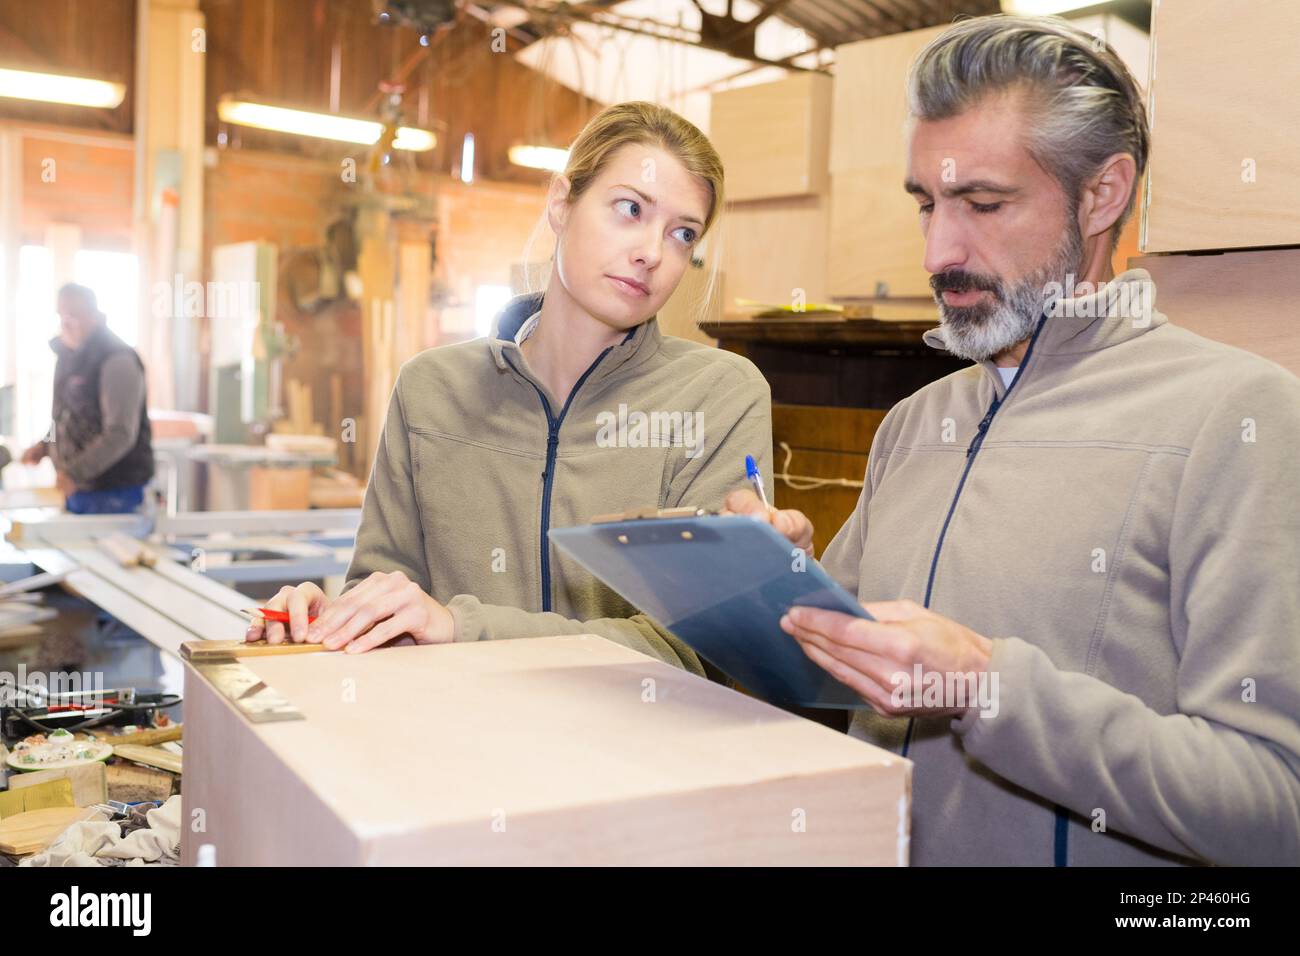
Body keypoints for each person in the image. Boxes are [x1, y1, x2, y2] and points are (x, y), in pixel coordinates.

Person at [731, 15, 1300, 866]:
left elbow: (1273, 807)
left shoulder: (1241, 419)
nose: (937, 250)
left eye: (983, 204)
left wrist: (987, 685)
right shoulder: (914, 425)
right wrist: (757, 581)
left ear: (1104, 193)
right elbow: (819, 686)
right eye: (926, 202)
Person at [247, 102, 773, 673]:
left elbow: (693, 649)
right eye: (630, 208)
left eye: (681, 233)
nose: (651, 252)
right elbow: (386, 588)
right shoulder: (431, 390)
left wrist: (460, 627)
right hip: (455, 746)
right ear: (561, 203)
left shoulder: (717, 394)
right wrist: (334, 616)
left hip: (631, 751)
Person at [21, 283, 154, 514]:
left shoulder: (117, 360)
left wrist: (74, 472)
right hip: (80, 489)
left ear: (94, 314)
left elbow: (120, 433)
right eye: (61, 315)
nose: (66, 323)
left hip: (114, 491)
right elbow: (61, 418)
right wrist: (45, 445)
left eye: (73, 314)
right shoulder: (68, 355)